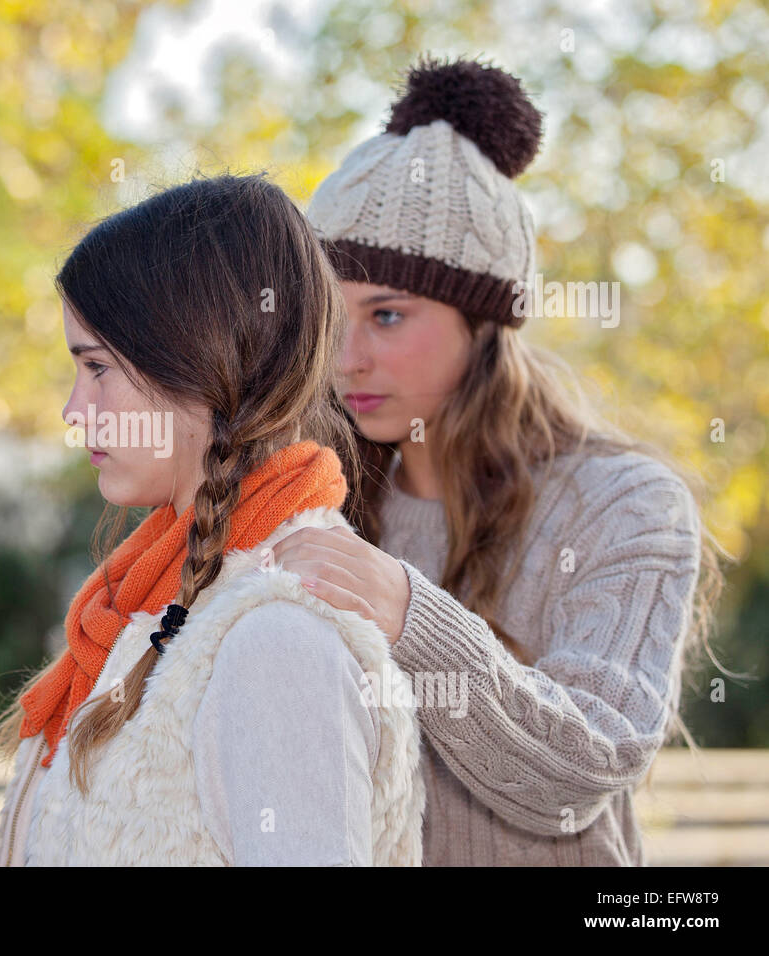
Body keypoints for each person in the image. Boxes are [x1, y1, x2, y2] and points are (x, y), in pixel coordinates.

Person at [269, 56, 726, 865]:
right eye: (328, 318)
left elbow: (586, 763)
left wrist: (410, 612)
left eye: (388, 314)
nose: (345, 359)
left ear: (485, 323)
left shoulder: (626, 504)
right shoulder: (313, 495)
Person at [0, 173, 426, 866]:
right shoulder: (154, 596)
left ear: (197, 364)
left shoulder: (278, 635)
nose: (75, 409)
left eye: (97, 367)